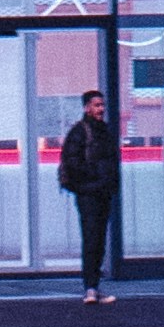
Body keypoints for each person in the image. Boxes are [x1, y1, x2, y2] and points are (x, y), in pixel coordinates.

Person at [58, 87, 122, 306]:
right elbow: (74, 163)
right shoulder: (81, 132)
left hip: (99, 192)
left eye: (102, 105)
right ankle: (91, 287)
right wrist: (99, 176)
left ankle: (93, 287)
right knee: (93, 240)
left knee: (96, 240)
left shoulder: (99, 131)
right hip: (90, 193)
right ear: (87, 108)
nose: (101, 109)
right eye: (97, 105)